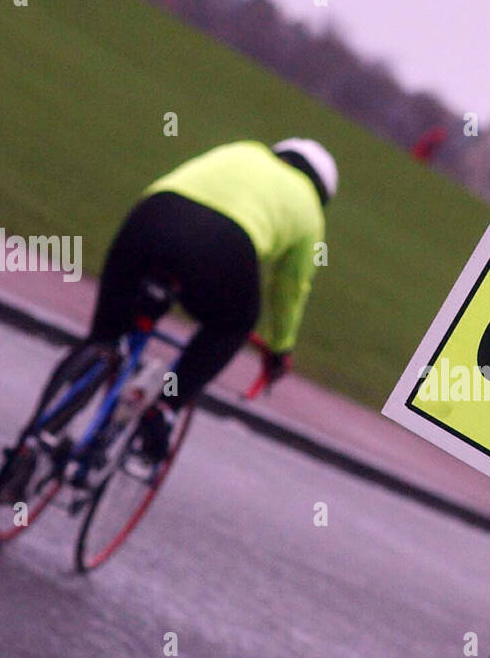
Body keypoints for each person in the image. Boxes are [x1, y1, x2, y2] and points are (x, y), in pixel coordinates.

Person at [80, 138, 337, 461]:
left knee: (105, 336)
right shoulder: (311, 210)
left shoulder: (244, 149)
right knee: (234, 324)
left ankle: (70, 389)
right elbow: (291, 288)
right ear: (322, 191)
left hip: (151, 216)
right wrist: (279, 348)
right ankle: (164, 408)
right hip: (223, 246)